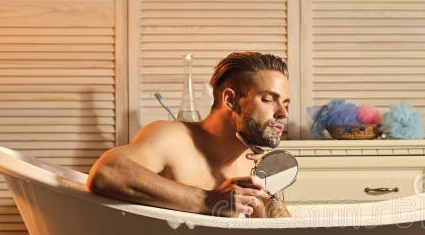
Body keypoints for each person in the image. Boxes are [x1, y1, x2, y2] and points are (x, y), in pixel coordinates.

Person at [88, 52, 291, 218]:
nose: (283, 113)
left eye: (286, 104)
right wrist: (208, 200)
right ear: (230, 100)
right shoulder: (173, 137)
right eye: (268, 99)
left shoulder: (257, 166)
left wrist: (274, 199)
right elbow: (107, 172)